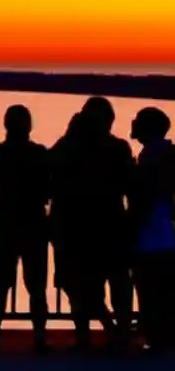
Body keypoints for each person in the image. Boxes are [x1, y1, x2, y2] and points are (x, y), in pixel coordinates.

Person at [50, 97, 134, 353]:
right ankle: (118, 331)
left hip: (73, 226)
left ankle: (88, 333)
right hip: (109, 224)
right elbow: (129, 183)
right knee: (116, 280)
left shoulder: (67, 147)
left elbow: (49, 172)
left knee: (78, 283)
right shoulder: (118, 148)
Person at [0, 105, 50, 354]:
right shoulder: (40, 153)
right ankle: (40, 337)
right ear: (29, 127)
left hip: (6, 224)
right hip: (34, 224)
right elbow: (47, 189)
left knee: (1, 284)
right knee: (36, 285)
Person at [129, 107, 175, 354]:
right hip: (161, 234)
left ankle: (158, 338)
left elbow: (146, 200)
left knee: (152, 288)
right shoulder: (160, 155)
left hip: (154, 235)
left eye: (138, 121)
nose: (133, 123)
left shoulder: (154, 159)